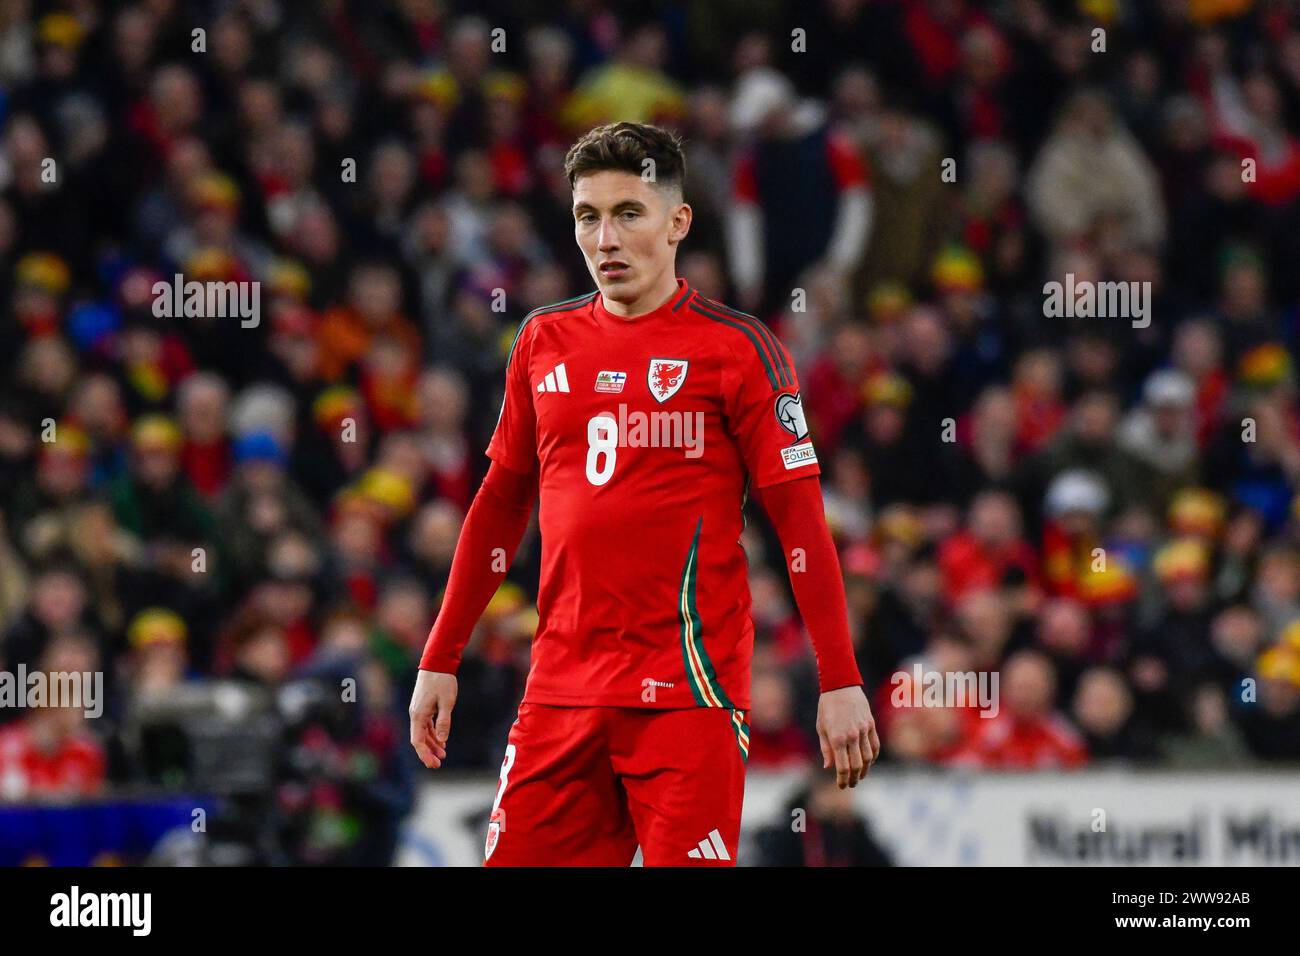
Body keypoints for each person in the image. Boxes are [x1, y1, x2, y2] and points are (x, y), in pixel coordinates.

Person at [408, 122, 878, 867]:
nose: (606, 238)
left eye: (628, 212)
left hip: (688, 698)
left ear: (678, 221)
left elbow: (800, 522)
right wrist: (441, 656)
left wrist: (840, 678)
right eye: (587, 217)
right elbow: (500, 504)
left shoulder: (739, 350)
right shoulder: (541, 341)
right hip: (560, 692)